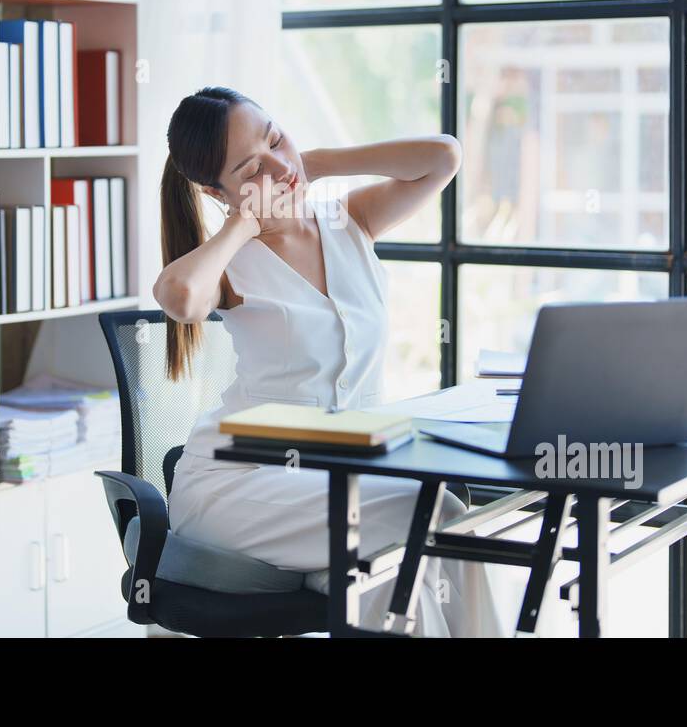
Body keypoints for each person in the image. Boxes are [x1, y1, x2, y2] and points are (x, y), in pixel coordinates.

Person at [153, 86, 507, 637]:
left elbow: (443, 157)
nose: (275, 165)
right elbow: (178, 296)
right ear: (214, 191)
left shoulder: (350, 220)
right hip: (239, 488)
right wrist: (243, 223)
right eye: (250, 168)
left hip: (336, 486)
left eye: (275, 137)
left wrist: (308, 164)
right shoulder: (229, 262)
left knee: (384, 586)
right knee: (433, 512)